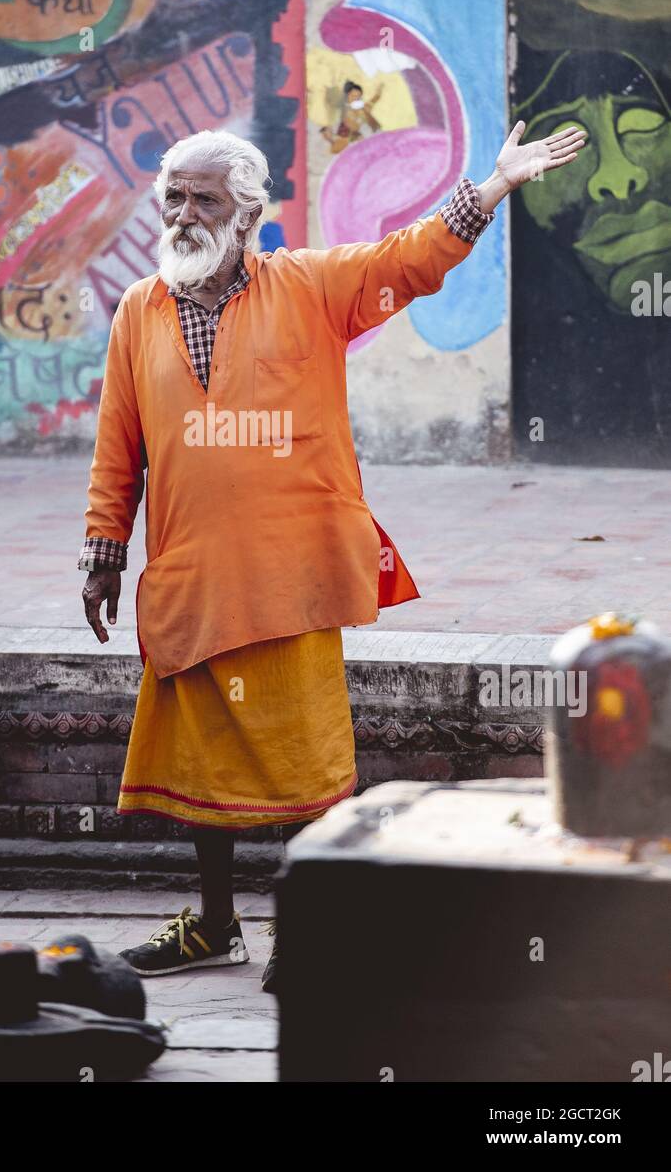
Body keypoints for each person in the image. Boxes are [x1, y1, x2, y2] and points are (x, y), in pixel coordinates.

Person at [79, 120, 585, 992]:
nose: (183, 212)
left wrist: (492, 186)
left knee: (308, 773)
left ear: (247, 213)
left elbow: (408, 259)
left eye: (204, 197)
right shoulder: (139, 311)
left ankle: (312, 931)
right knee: (201, 768)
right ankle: (213, 928)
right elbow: (118, 444)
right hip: (191, 576)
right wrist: (103, 551)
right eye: (174, 196)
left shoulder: (310, 285)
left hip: (293, 575)